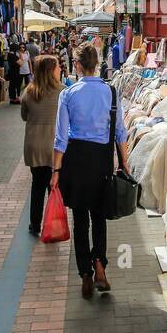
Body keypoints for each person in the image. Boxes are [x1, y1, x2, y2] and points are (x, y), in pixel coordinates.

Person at [51, 44, 129, 299]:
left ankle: (84, 272)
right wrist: (125, 166)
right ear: (97, 64)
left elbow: (60, 138)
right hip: (102, 161)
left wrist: (55, 170)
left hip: (75, 161)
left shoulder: (68, 94)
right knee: (99, 216)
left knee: (81, 219)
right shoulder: (111, 93)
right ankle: (100, 267)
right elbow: (121, 134)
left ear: (77, 65)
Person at [20, 54, 62, 236]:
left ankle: (34, 224)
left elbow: (24, 116)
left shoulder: (29, 92)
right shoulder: (63, 92)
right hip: (54, 146)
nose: (60, 69)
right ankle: (52, 223)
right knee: (53, 187)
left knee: (37, 186)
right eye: (58, 67)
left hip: (34, 145)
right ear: (51, 71)